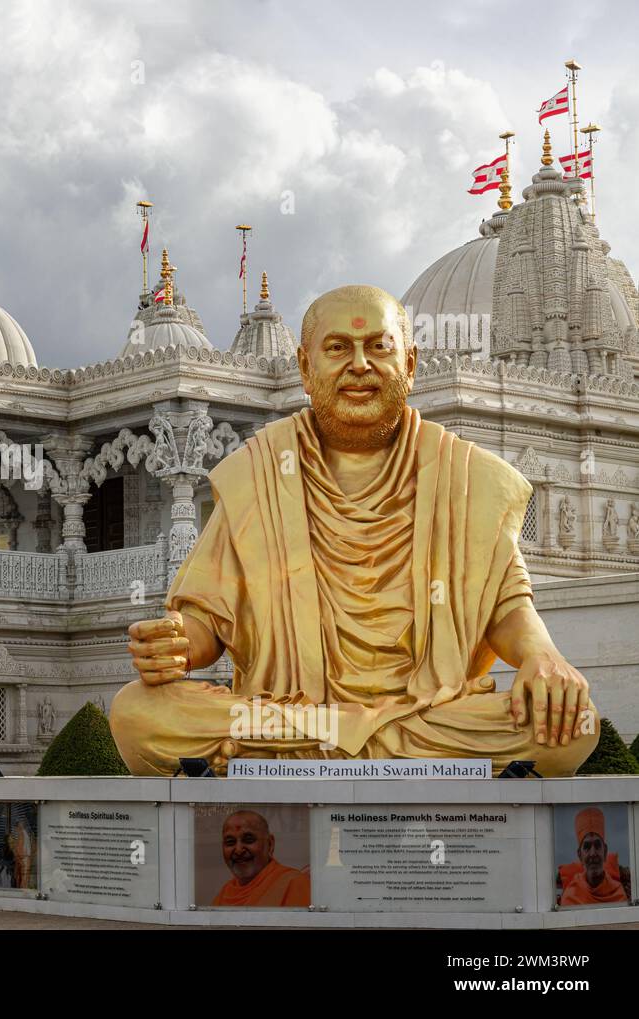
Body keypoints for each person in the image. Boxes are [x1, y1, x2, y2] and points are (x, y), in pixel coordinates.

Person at [113, 285, 598, 777]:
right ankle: (377, 753)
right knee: (137, 713)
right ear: (305, 367)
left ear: (410, 364)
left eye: (378, 347)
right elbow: (208, 622)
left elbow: (508, 607)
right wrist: (176, 641)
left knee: (573, 720)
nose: (360, 365)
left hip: (423, 714)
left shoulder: (468, 477)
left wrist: (542, 655)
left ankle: (332, 753)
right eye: (338, 348)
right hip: (293, 714)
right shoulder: (256, 475)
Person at [210, 810, 309, 907]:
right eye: (230, 842)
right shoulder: (225, 892)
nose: (238, 850)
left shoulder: (293, 883)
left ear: (270, 844)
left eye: (248, 840)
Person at [559, 807, 628, 906]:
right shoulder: (570, 897)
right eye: (587, 847)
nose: (593, 853)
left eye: (597, 845)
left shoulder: (618, 893)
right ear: (580, 855)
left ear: (605, 852)